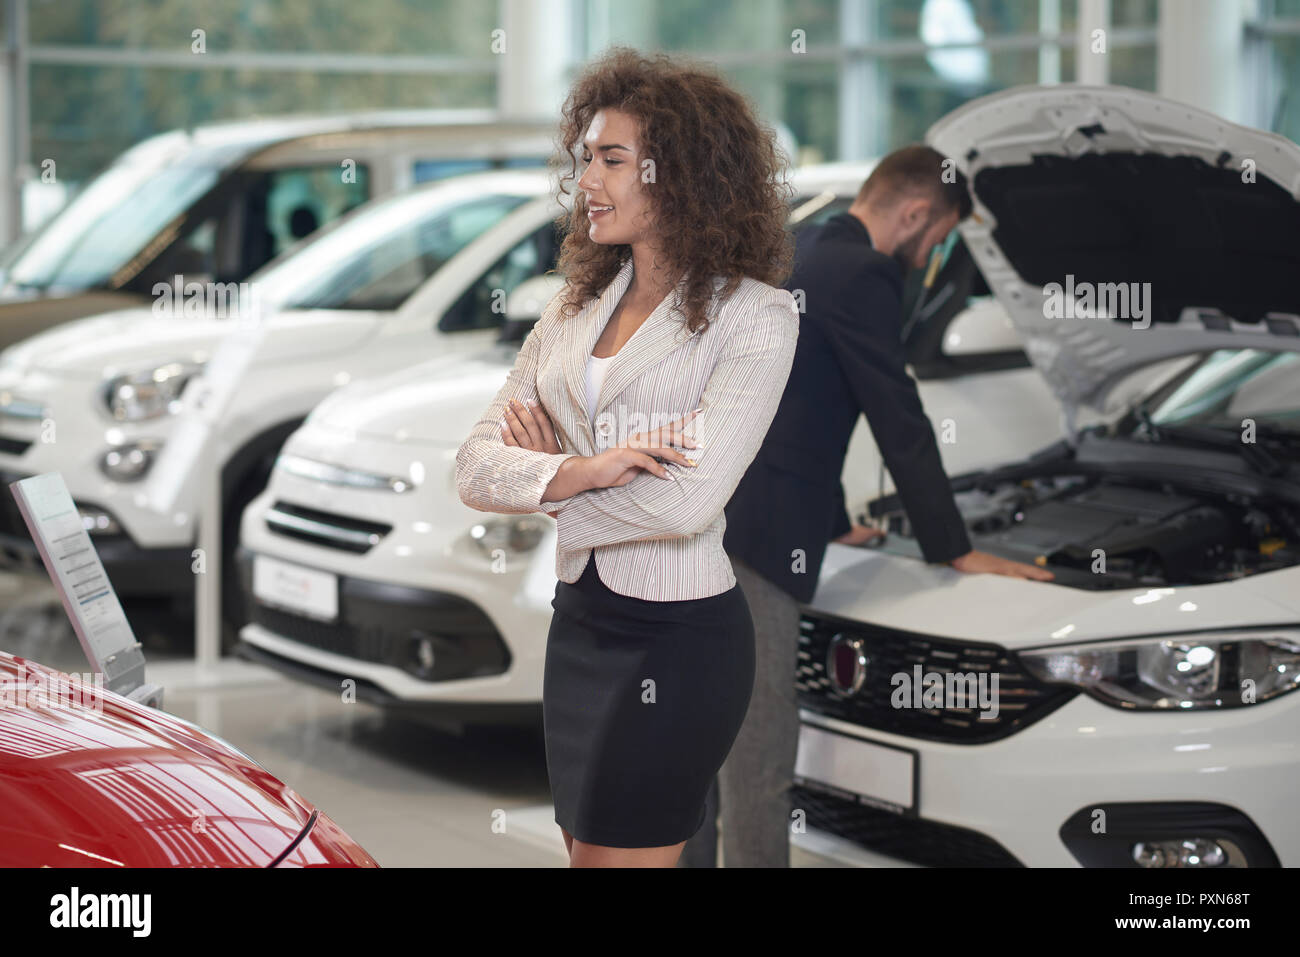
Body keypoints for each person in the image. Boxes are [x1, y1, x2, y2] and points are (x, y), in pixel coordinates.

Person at [455, 47, 799, 868]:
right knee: (589, 854)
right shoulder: (573, 307)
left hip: (677, 639)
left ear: (677, 172)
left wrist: (545, 486)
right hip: (580, 627)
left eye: (612, 159)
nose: (587, 182)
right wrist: (585, 470)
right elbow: (470, 466)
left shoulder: (756, 317)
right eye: (585, 160)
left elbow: (686, 502)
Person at [679, 145, 1056, 869]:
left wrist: (833, 519)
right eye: (940, 237)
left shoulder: (802, 246)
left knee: (698, 743)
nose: (933, 254)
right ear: (916, 213)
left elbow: (803, 405)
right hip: (756, 544)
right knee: (760, 757)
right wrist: (954, 547)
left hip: (707, 519)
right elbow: (895, 412)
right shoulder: (865, 275)